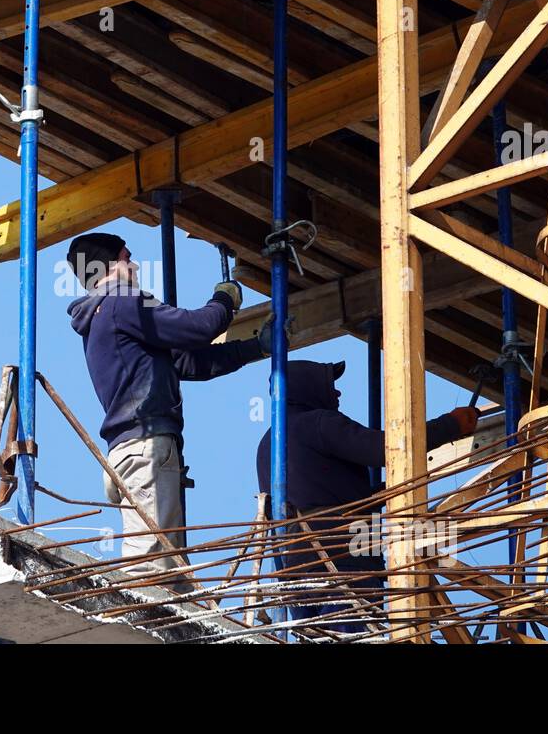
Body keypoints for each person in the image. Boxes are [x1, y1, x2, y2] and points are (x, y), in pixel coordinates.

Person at [66, 232, 274, 588]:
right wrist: (224, 301)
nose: (133, 265)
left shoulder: (106, 318)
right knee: (148, 572)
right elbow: (196, 329)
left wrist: (257, 347)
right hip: (146, 447)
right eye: (126, 257)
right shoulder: (122, 301)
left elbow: (189, 361)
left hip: (133, 451)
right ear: (108, 265)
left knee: (173, 576)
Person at [255, 359, 478, 633]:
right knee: (353, 635)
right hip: (345, 555)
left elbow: (320, 496)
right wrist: (451, 425)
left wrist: (382, 493)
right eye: (329, 385)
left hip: (295, 568)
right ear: (306, 388)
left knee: (317, 639)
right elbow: (386, 449)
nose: (337, 394)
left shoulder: (268, 443)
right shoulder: (319, 423)